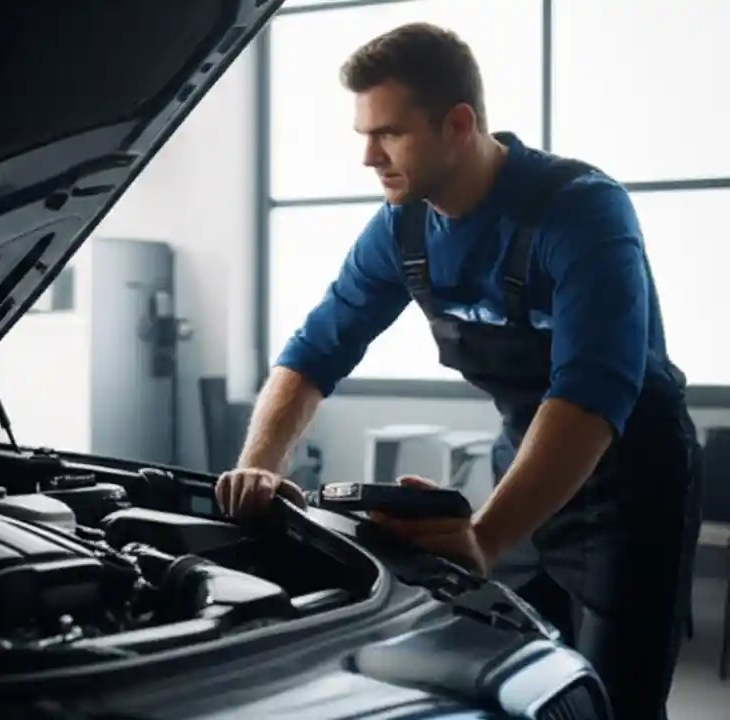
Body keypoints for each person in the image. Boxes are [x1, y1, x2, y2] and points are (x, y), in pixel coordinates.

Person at [215, 22, 701, 720]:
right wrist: (259, 464)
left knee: (613, 698)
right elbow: (314, 351)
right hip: (525, 472)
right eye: (362, 133)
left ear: (459, 124)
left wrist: (489, 534)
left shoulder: (581, 209)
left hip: (632, 486)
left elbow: (590, 395)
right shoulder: (400, 229)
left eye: (388, 133)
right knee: (515, 678)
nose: (367, 157)